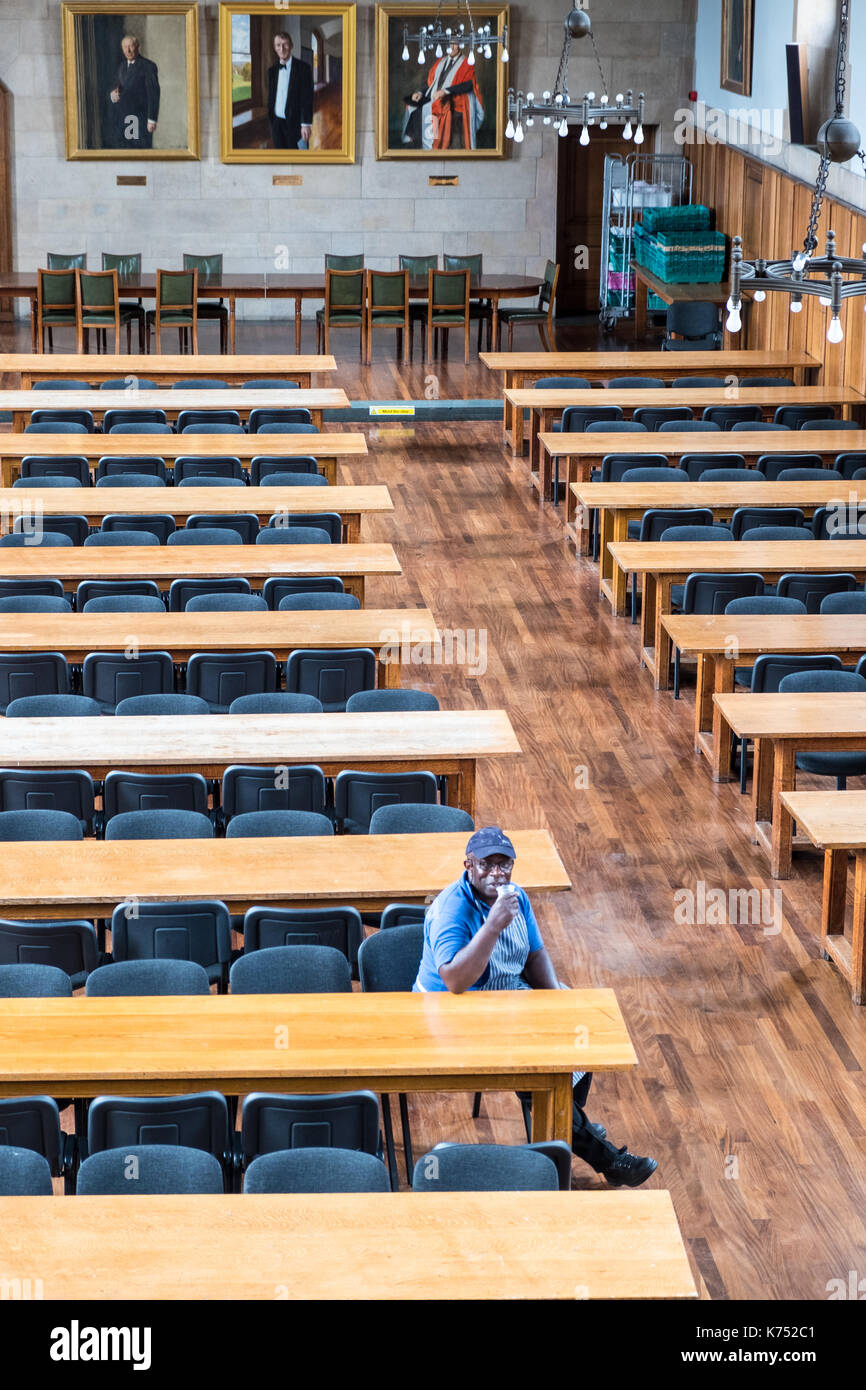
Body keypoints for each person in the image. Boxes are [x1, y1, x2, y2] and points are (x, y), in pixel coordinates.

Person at [413, 826, 659, 1187]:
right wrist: (493, 925)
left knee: (578, 1028)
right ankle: (605, 1157)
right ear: (468, 865)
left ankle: (563, 1125)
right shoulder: (452, 909)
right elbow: (455, 980)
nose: (497, 873)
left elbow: (535, 954)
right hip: (452, 1012)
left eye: (504, 864)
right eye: (486, 864)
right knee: (538, 1066)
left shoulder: (517, 898)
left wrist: (558, 1004)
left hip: (502, 998)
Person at [402, 41, 484, 150]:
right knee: (412, 105)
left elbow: (469, 84)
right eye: (450, 44)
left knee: (432, 108)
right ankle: (416, 140)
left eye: (455, 44)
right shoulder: (441, 61)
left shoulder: (466, 62)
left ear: (460, 45)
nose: (452, 47)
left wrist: (446, 91)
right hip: (433, 96)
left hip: (452, 98)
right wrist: (420, 92)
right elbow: (430, 82)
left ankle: (431, 145)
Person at [109, 34, 160, 150]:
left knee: (141, 150)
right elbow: (120, 86)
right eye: (125, 47)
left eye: (131, 46)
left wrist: (152, 119)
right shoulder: (122, 66)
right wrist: (113, 94)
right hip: (123, 117)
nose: (128, 50)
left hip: (140, 117)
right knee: (125, 149)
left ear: (137, 47)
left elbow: (154, 94)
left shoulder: (148, 66)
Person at [267, 31, 313, 150]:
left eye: (285, 44)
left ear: (291, 45)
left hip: (296, 124)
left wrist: (306, 124)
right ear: (274, 48)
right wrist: (272, 123)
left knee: (299, 161)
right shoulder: (271, 71)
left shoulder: (303, 68)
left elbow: (307, 99)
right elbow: (271, 98)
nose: (281, 49)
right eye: (278, 45)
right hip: (277, 124)